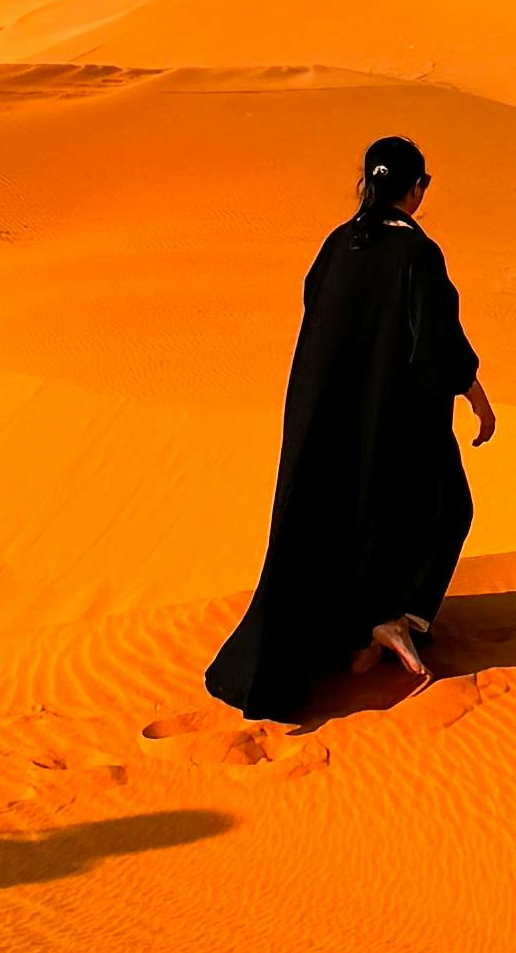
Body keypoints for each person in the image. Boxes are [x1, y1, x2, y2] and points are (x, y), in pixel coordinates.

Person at [204, 136, 497, 716]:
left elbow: (319, 312)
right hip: (395, 418)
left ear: (366, 184)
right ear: (418, 189)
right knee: (446, 506)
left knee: (338, 514)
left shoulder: (340, 241)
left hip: (324, 413)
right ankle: (394, 619)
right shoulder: (416, 253)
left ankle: (356, 628)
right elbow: (436, 346)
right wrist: (478, 398)